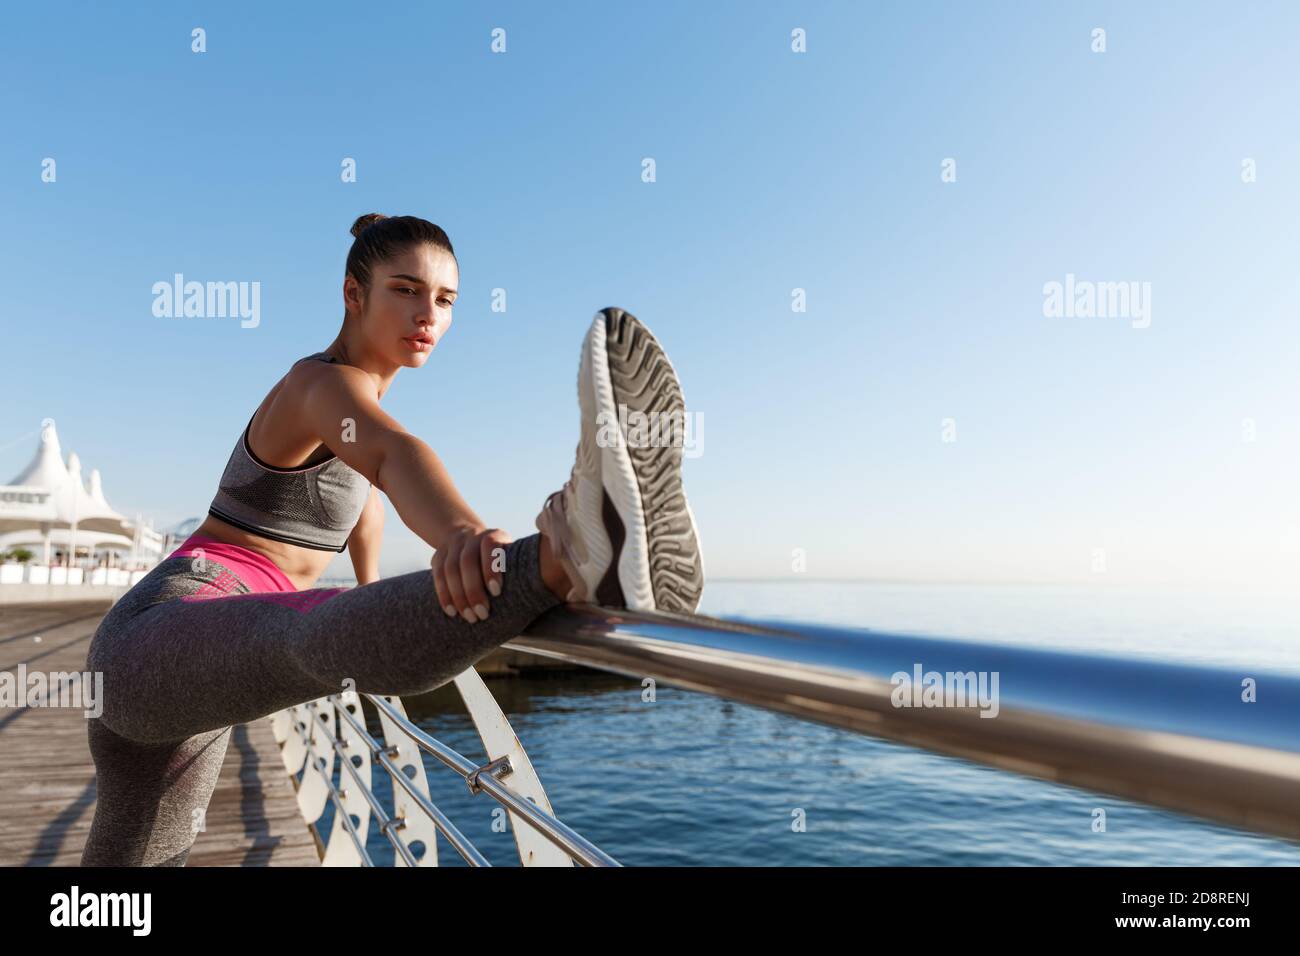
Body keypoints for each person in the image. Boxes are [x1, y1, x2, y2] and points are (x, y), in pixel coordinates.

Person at [79, 213, 705, 866]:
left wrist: (390, 604)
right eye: (405, 290)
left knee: (141, 855)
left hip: (202, 661)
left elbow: (368, 528)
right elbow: (391, 455)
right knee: (304, 638)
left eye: (445, 299)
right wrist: (462, 532)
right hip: (166, 627)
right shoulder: (317, 384)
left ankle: (584, 546)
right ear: (354, 295)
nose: (426, 314)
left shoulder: (351, 436)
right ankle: (567, 550)